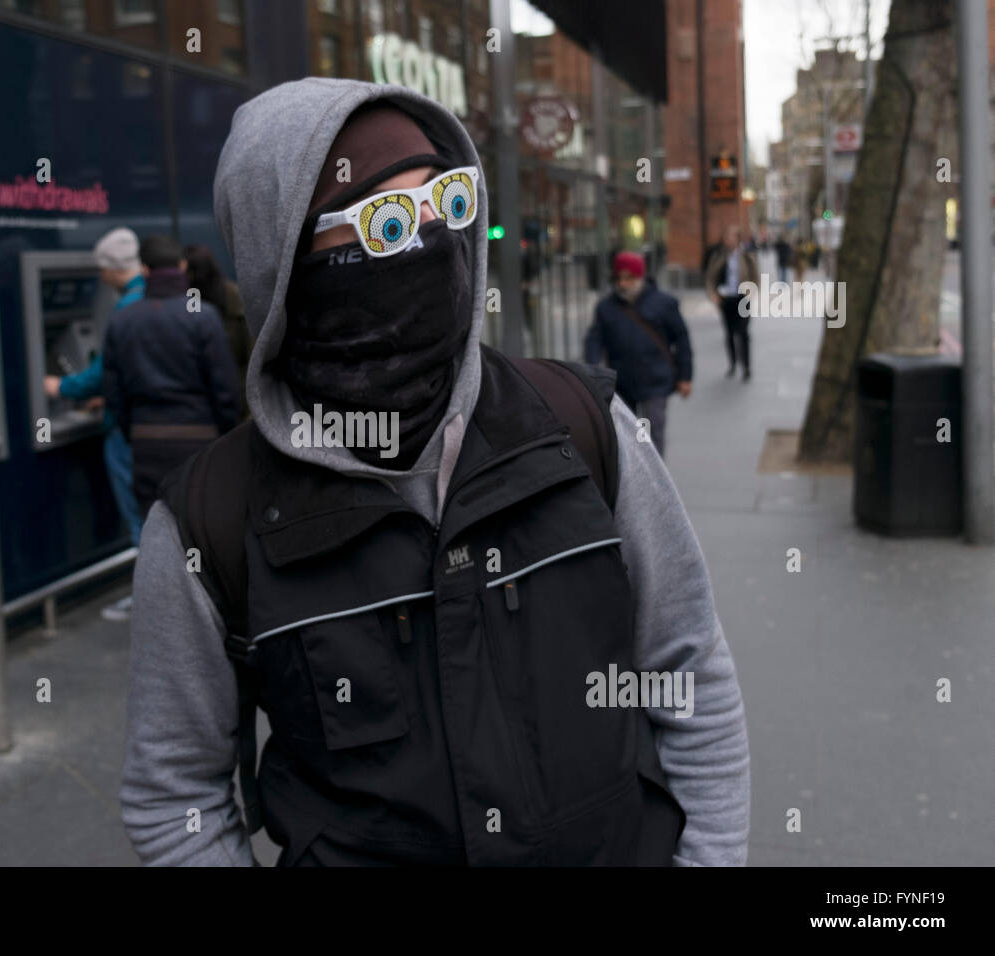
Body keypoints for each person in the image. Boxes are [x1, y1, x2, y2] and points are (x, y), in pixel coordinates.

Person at [119, 80, 749, 867]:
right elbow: (175, 793)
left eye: (446, 204)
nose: (428, 241)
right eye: (385, 224)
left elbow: (687, 669)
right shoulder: (208, 521)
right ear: (286, 262)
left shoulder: (582, 426)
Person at [42, 227, 145, 621]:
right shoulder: (154, 298)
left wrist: (62, 385)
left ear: (114, 269)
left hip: (125, 427)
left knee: (137, 515)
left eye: (103, 269)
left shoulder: (125, 310)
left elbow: (101, 372)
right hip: (151, 422)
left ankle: (144, 597)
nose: (100, 276)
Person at [101, 235, 240, 521]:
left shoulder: (121, 321)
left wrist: (134, 432)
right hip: (200, 442)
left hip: (146, 443)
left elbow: (114, 395)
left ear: (145, 271)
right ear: (181, 266)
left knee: (156, 525)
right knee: (204, 525)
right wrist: (221, 431)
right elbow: (225, 389)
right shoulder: (204, 317)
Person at [584, 251, 692, 457]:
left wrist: (685, 376)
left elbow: (682, 339)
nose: (623, 284)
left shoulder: (664, 303)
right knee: (625, 435)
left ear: (640, 277)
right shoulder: (606, 307)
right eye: (619, 278)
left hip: (656, 381)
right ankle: (632, 479)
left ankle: (656, 481)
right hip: (622, 382)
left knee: (653, 432)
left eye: (629, 278)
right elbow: (594, 340)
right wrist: (592, 370)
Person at [184, 244, 252, 421]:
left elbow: (252, 361)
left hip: (236, 406)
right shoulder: (186, 304)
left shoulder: (236, 303)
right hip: (201, 410)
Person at [704, 224, 759, 381]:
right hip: (725, 299)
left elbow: (755, 276)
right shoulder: (719, 256)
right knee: (729, 333)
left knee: (743, 332)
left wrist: (751, 290)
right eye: (726, 237)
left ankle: (746, 366)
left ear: (738, 239)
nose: (728, 240)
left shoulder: (746, 256)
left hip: (742, 298)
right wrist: (713, 294)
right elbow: (710, 277)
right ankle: (733, 363)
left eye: (732, 237)